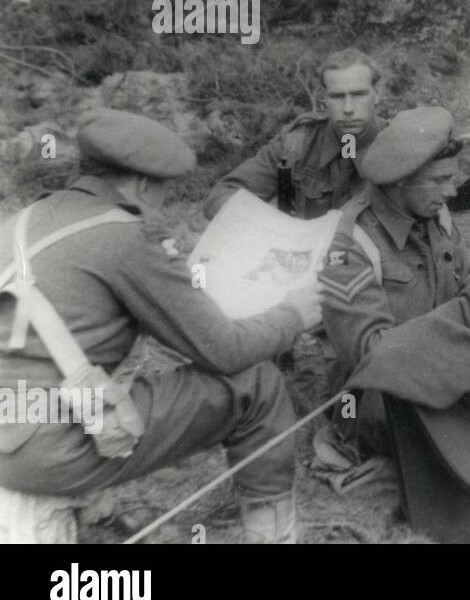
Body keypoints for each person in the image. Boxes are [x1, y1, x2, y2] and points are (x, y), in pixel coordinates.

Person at [0, 109, 322, 543]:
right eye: (164, 194)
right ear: (142, 184)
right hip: (48, 454)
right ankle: (276, 537)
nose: (161, 207)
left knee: (99, 381)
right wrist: (292, 315)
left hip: (12, 427)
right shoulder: (124, 236)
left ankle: (98, 517)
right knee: (256, 383)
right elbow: (224, 351)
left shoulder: (19, 223)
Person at [318, 107, 470, 452]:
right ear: (402, 181)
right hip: (374, 399)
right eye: (440, 180)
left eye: (451, 178)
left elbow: (467, 282)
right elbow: (371, 355)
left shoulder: (435, 214)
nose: (453, 192)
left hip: (443, 369)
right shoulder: (349, 242)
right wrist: (464, 350)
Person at [204, 49, 384, 220]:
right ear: (323, 99)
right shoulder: (297, 144)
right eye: (337, 96)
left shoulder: (399, 146)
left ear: (377, 94)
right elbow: (222, 196)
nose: (348, 109)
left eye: (359, 94)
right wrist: (270, 224)